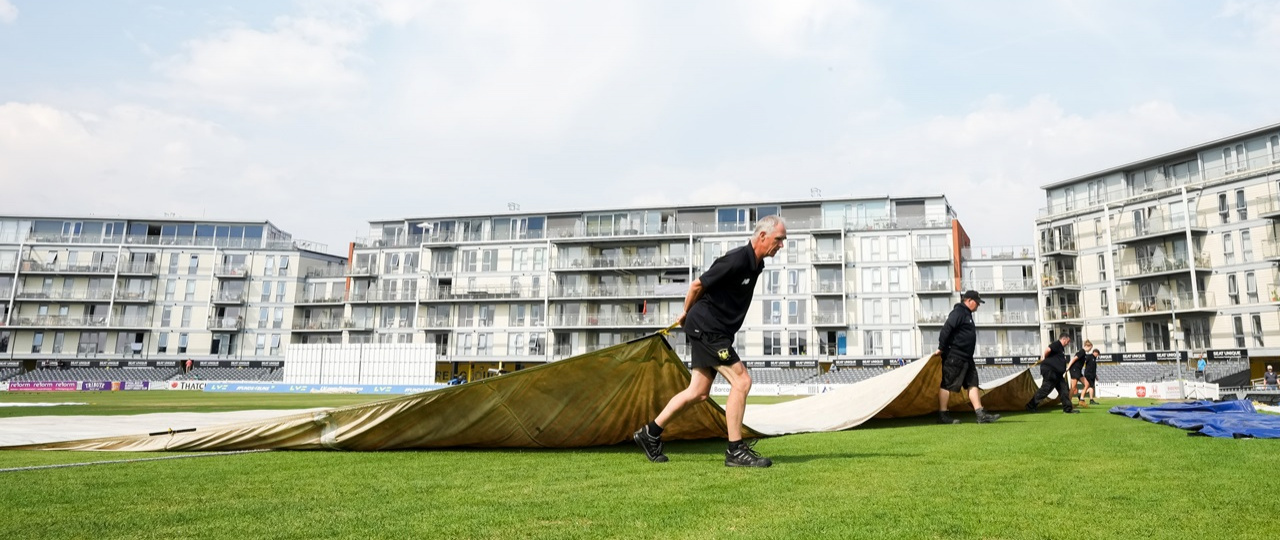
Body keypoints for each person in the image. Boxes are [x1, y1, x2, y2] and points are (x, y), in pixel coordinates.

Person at [634, 216, 787, 468]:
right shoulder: (737, 259)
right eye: (779, 239)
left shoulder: (756, 264)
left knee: (699, 392)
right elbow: (697, 285)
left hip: (715, 330)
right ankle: (735, 450)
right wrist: (686, 313)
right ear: (762, 236)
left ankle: (650, 433)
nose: (781, 245)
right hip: (708, 328)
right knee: (742, 381)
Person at [934, 290, 1001, 424]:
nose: (978, 305)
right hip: (954, 355)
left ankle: (980, 414)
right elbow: (946, 329)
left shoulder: (967, 314)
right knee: (947, 384)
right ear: (969, 300)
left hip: (967, 358)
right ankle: (943, 415)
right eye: (977, 302)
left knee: (973, 383)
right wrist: (941, 348)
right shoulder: (958, 312)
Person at [1026, 334, 1078, 414]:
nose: (1068, 343)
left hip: (1057, 373)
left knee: (1064, 390)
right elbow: (1048, 349)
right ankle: (1030, 406)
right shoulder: (1057, 344)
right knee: (1045, 389)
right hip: (1051, 371)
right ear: (1064, 339)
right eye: (1068, 341)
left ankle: (1067, 409)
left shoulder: (1061, 348)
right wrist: (1044, 357)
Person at [1066, 340, 1092, 408]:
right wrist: (1068, 367)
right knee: (1073, 387)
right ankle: (1068, 403)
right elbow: (1073, 359)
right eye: (1090, 348)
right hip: (1074, 370)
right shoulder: (1081, 352)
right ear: (1087, 346)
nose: (1090, 350)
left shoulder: (1084, 353)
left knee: (1087, 384)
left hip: (1078, 371)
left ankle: (1081, 400)